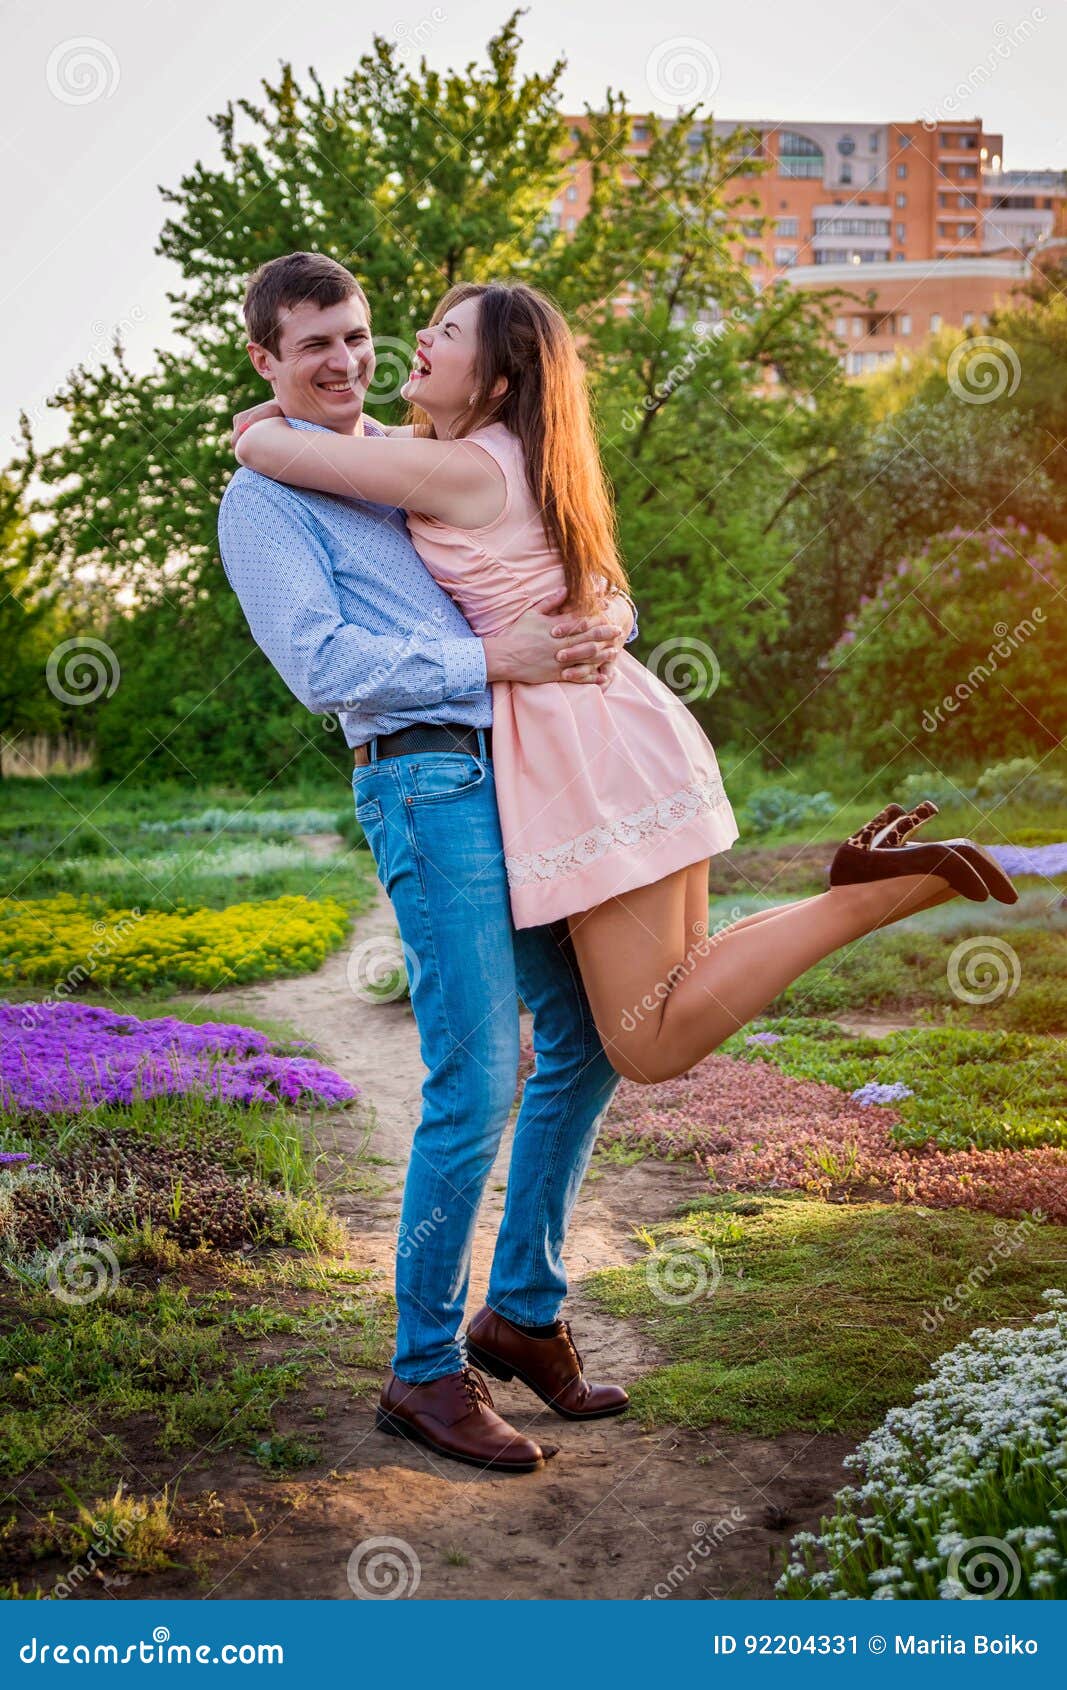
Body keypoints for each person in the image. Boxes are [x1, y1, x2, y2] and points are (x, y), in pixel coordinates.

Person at [234, 278, 1019, 1091]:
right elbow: (579, 579)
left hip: (583, 747)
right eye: (429, 322)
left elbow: (270, 453)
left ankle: (868, 895)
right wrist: (613, 611)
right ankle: (861, 881)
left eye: (448, 333)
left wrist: (257, 423)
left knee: (644, 1046)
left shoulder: (458, 467)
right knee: (681, 979)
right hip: (614, 724)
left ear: (498, 382)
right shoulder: (492, 453)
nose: (418, 341)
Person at [219, 253, 637, 1478]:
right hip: (421, 777)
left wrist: (596, 615)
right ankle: (420, 1370)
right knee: (477, 1072)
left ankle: (522, 1305)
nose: (346, 362)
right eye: (312, 350)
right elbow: (321, 663)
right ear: (265, 361)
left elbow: (523, 566)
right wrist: (490, 663)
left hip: (511, 769)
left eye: (356, 335)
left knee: (589, 1037)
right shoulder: (267, 502)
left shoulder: (397, 465)